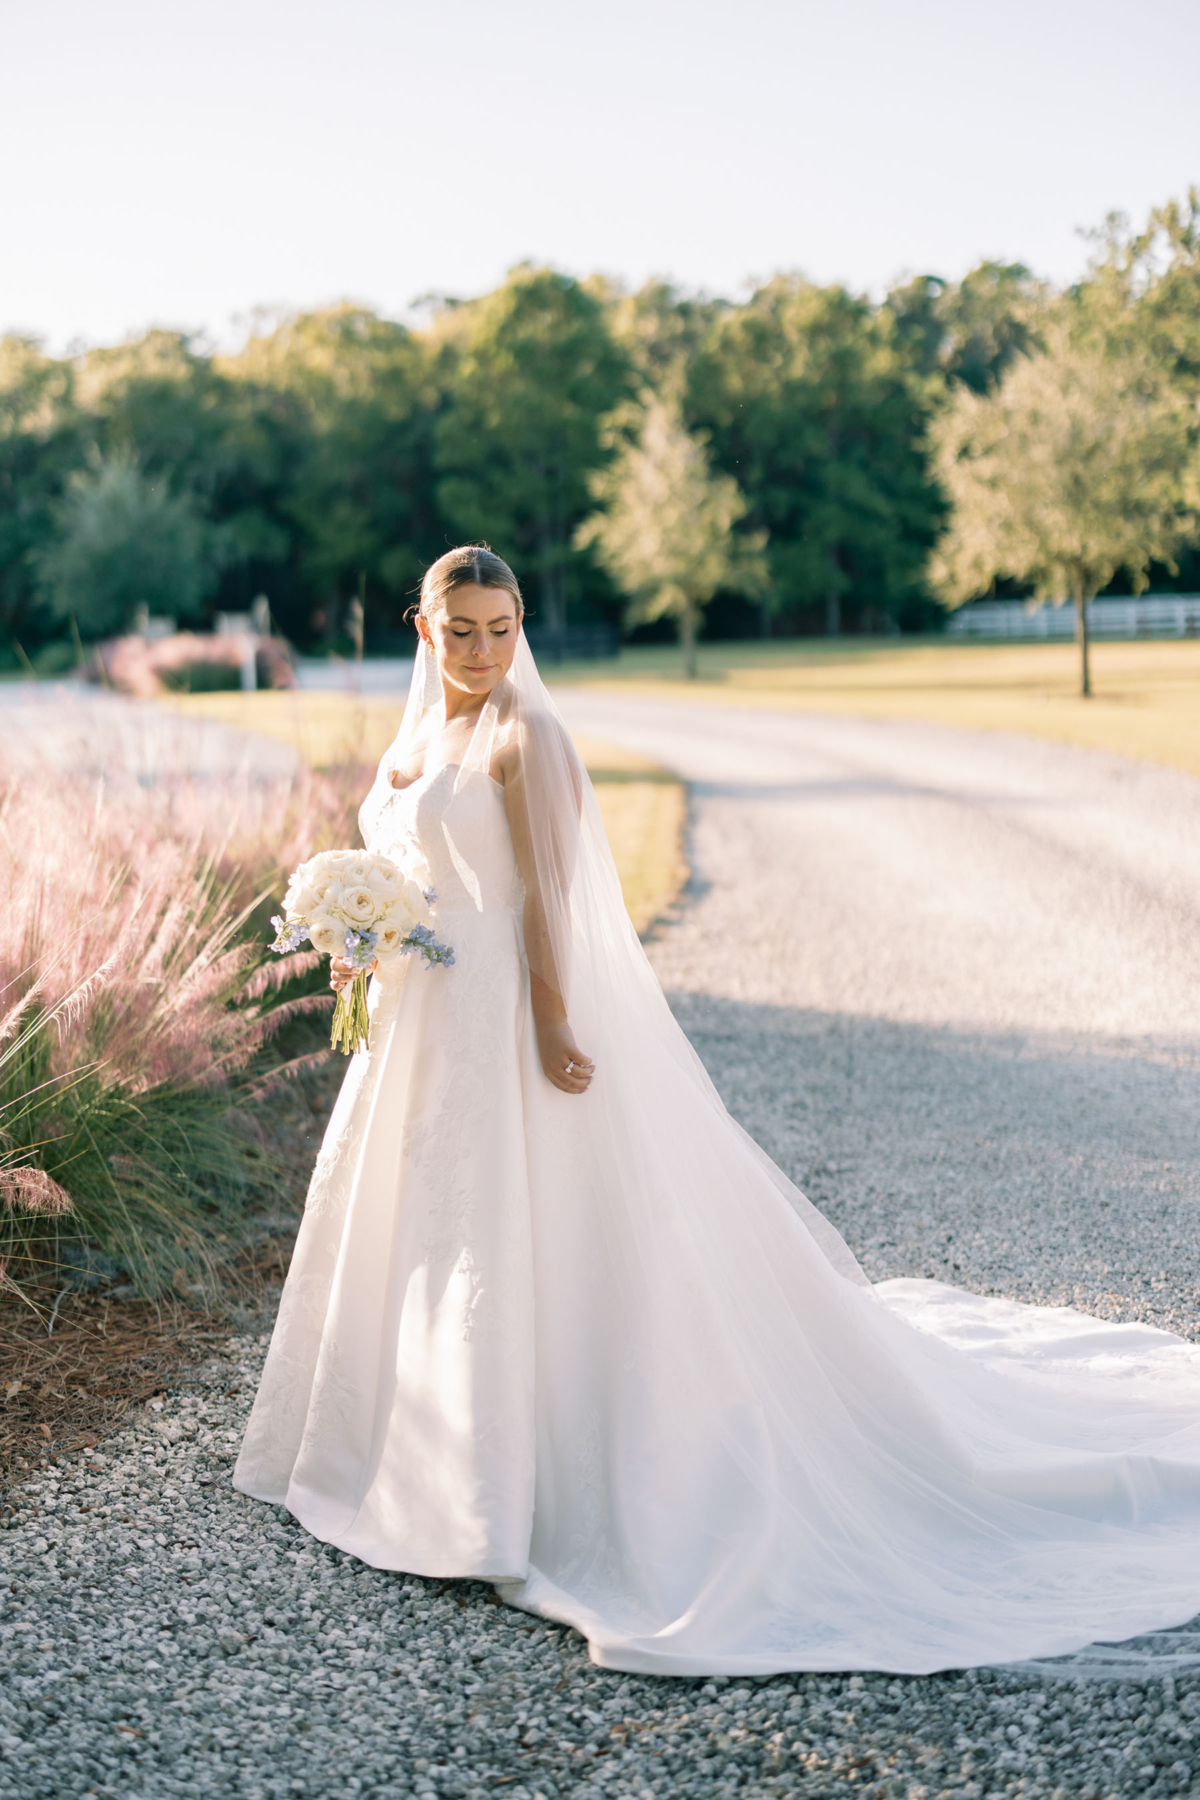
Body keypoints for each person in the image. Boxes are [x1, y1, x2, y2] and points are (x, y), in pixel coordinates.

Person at [236, 544, 1200, 1677]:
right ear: (423, 628)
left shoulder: (523, 736)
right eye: (464, 631)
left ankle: (507, 1492)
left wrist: (549, 1020)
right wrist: (366, 943)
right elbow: (410, 867)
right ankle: (404, 1451)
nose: (486, 651)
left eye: (504, 628)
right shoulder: (410, 743)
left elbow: (550, 893)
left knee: (514, 1220)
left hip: (501, 1007)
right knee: (424, 1221)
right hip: (416, 1016)